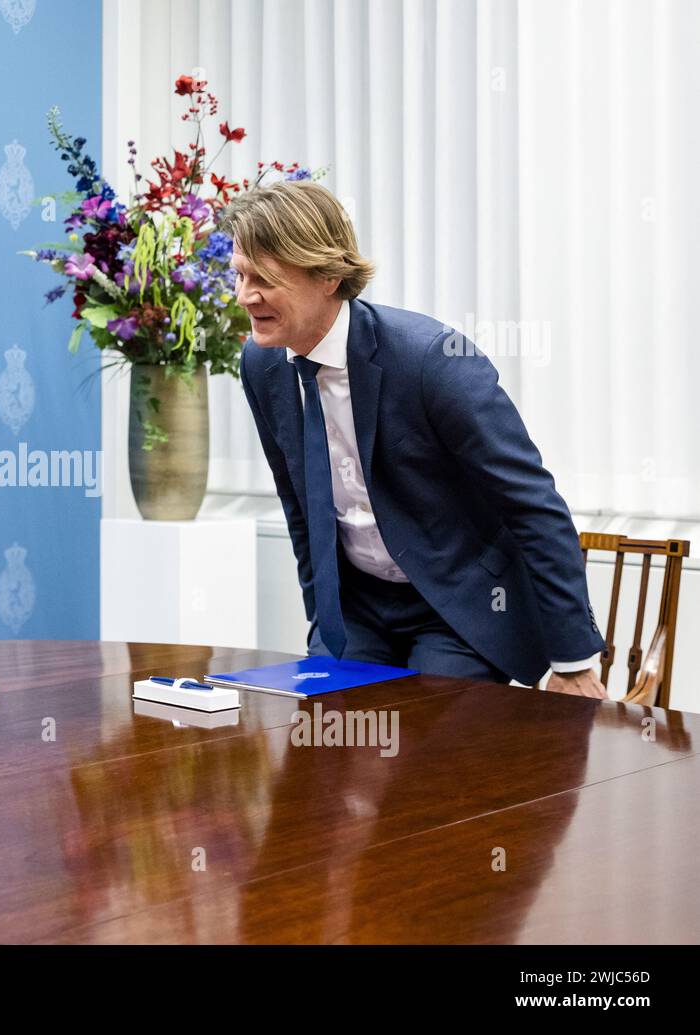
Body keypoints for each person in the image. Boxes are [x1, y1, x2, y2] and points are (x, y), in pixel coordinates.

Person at [221, 182, 606, 696]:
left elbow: (531, 503)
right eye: (241, 275)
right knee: (327, 743)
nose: (245, 296)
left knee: (427, 749)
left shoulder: (433, 359)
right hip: (357, 608)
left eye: (264, 278)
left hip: (458, 604)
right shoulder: (261, 363)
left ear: (329, 275)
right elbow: (300, 507)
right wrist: (322, 621)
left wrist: (574, 660)